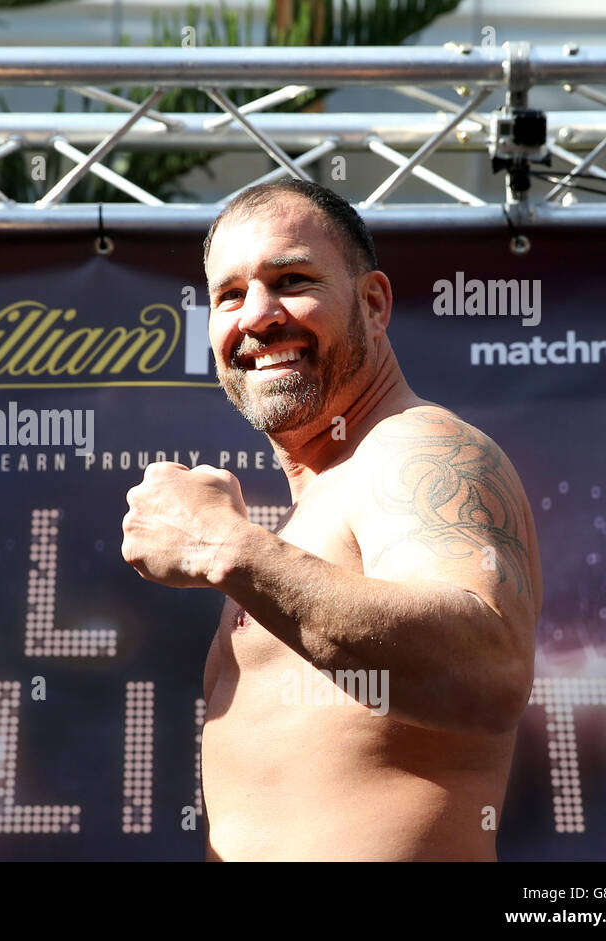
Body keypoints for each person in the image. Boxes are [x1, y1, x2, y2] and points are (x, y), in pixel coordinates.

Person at [121, 179, 541, 860]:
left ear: (373, 304)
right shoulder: (313, 506)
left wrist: (222, 544)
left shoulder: (415, 446)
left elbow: (487, 669)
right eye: (229, 295)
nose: (257, 316)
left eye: (290, 279)